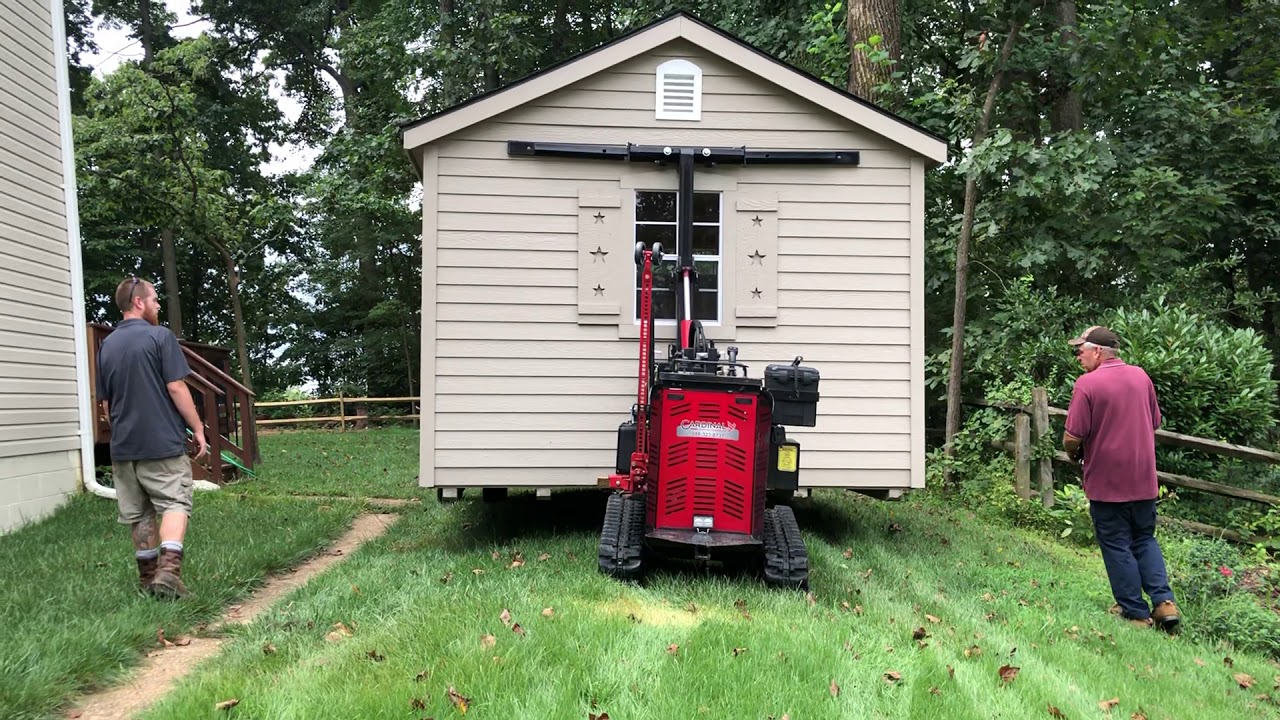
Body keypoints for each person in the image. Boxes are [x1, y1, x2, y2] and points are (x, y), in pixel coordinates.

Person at [1062, 325, 1180, 633]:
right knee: (1144, 538)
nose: (1078, 355)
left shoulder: (1087, 384)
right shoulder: (1141, 377)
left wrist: (1074, 456)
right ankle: (1164, 603)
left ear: (1098, 351)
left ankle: (1135, 612)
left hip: (1107, 481)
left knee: (1116, 544)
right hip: (1142, 479)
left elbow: (1072, 436)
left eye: (1081, 349)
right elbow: (1154, 421)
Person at [96, 277, 208, 599]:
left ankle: (148, 580)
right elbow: (176, 386)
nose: (159, 306)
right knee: (174, 502)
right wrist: (198, 429)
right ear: (139, 303)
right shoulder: (161, 337)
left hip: (123, 448)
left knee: (139, 514)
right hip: (160, 443)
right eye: (156, 300)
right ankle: (169, 572)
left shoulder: (107, 346)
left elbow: (106, 404)